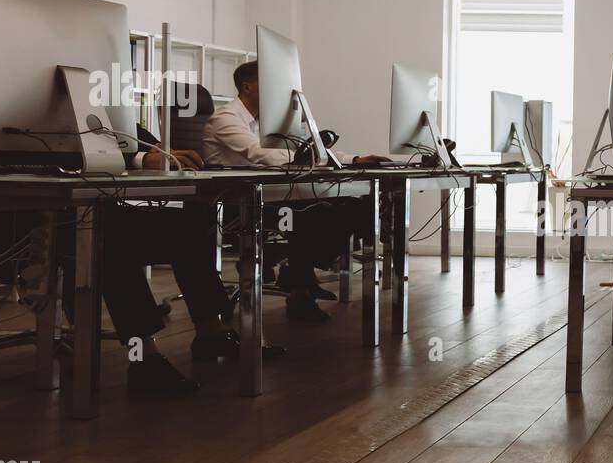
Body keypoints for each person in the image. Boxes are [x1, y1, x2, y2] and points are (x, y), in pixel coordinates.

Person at [66, 126, 280, 397]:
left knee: (189, 218)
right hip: (34, 210)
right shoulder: (28, 101)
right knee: (109, 233)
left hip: (93, 202)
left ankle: (211, 332)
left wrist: (157, 150)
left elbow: (127, 129)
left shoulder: (99, 97)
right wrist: (141, 159)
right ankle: (143, 356)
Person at [202, 60, 389, 321]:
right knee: (318, 215)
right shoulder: (226, 118)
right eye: (270, 84)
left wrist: (352, 159)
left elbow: (309, 151)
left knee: (353, 206)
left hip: (276, 197)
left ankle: (294, 271)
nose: (277, 92)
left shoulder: (267, 122)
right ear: (247, 86)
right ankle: (298, 283)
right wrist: (307, 156)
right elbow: (260, 154)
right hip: (241, 205)